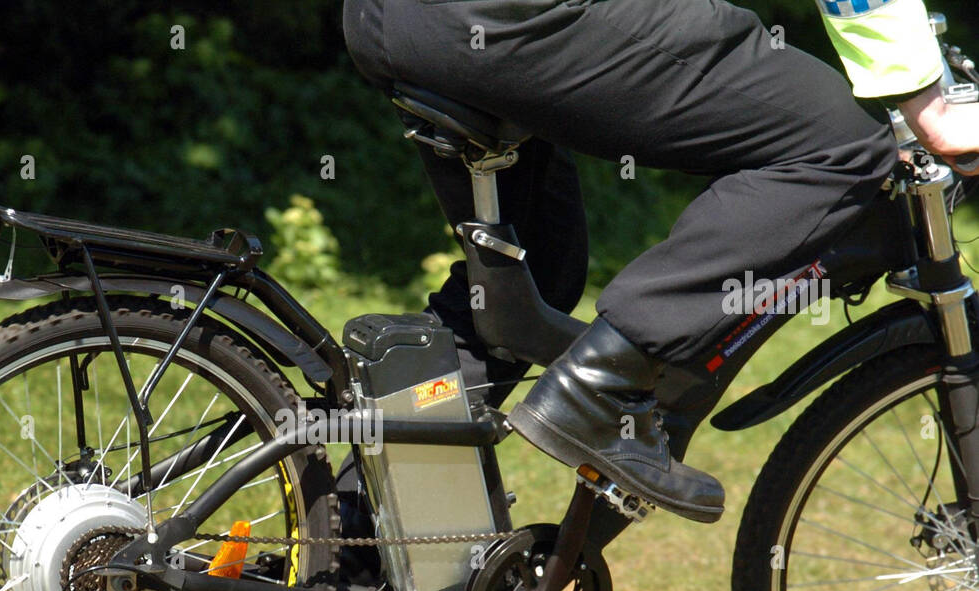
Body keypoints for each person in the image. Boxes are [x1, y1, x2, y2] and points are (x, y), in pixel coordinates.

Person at [342, 0, 979, 523]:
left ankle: (354, 533)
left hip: (390, 19)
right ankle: (602, 384)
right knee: (839, 146)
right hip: (509, 18)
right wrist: (927, 100)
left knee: (529, 280)